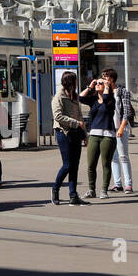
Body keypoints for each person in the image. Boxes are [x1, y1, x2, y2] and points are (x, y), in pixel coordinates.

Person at [51, 71, 88, 206]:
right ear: (70, 82)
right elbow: (57, 116)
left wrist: (84, 134)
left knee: (75, 165)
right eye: (75, 80)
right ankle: (55, 189)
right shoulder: (58, 97)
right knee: (67, 165)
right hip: (63, 133)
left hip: (76, 133)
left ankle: (73, 195)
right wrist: (75, 123)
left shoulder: (75, 97)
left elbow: (80, 116)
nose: (77, 83)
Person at [80, 73, 117, 199]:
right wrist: (90, 87)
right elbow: (81, 98)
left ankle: (104, 190)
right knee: (91, 164)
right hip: (94, 135)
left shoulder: (111, 100)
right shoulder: (93, 101)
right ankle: (91, 190)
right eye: (97, 83)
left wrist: (107, 86)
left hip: (108, 135)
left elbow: (106, 99)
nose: (98, 85)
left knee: (105, 164)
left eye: (100, 83)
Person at [107, 68, 135, 193]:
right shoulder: (104, 92)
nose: (103, 79)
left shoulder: (122, 91)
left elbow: (127, 111)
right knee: (113, 157)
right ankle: (117, 184)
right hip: (109, 128)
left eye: (105, 77)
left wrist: (122, 127)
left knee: (123, 156)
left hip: (120, 126)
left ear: (111, 78)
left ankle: (128, 184)